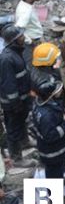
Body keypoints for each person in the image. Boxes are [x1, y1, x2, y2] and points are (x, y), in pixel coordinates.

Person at [29, 79, 65, 181]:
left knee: (54, 170)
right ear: (50, 95)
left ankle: (59, 179)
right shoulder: (47, 115)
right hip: (53, 151)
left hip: (48, 149)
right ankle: (55, 193)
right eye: (56, 90)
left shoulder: (39, 105)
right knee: (55, 170)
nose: (59, 91)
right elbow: (50, 135)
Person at [0, 26, 32, 166]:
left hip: (22, 98)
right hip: (13, 102)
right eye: (20, 36)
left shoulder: (16, 52)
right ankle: (17, 158)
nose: (23, 37)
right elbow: (8, 84)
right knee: (13, 127)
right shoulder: (7, 59)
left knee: (22, 121)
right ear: (14, 40)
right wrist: (15, 103)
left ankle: (25, 142)